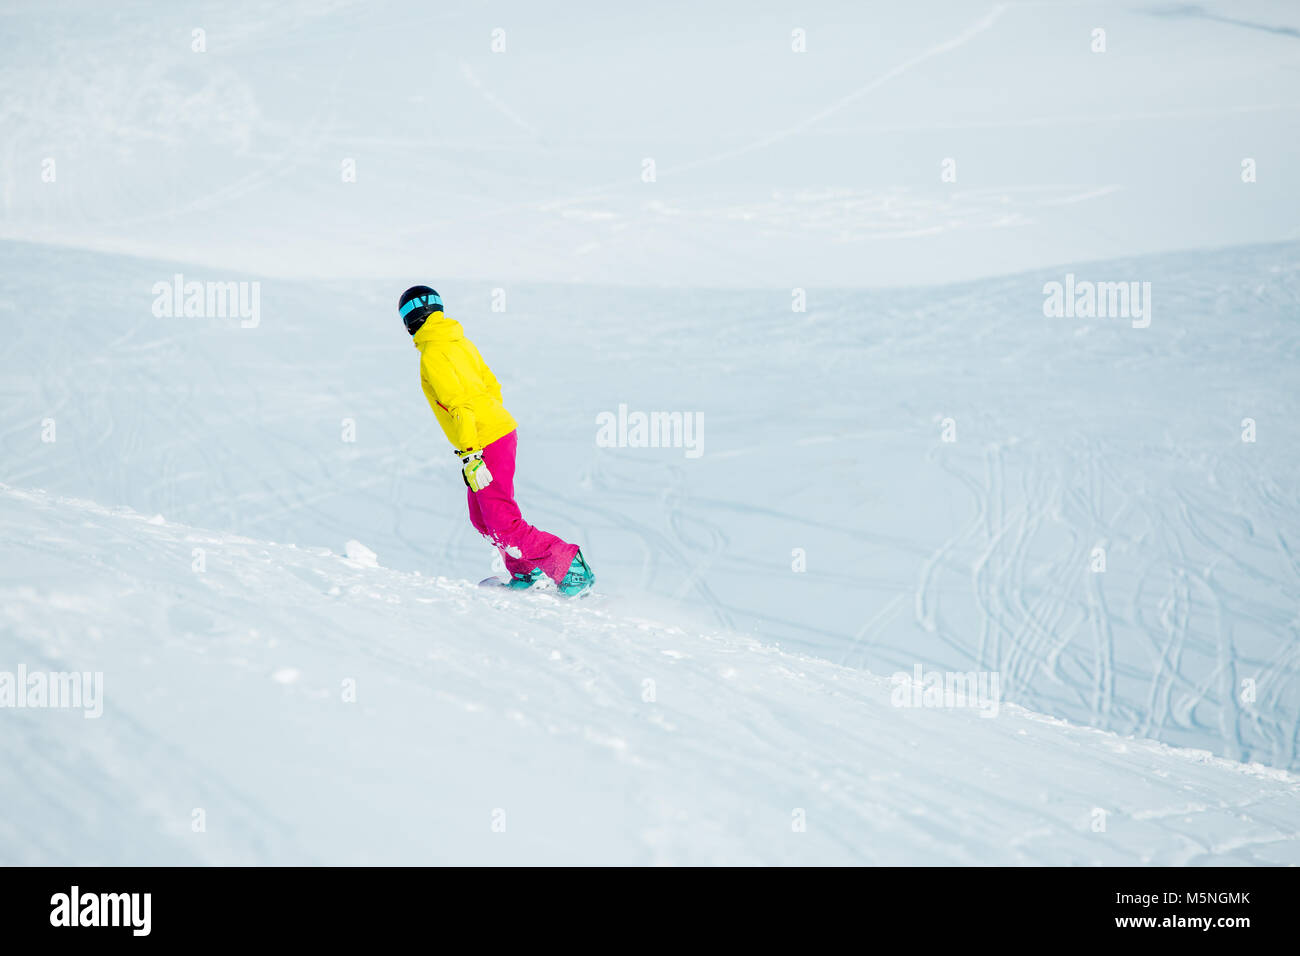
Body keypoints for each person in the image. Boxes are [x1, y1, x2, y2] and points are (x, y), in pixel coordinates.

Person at [399, 285, 594, 596]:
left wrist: (471, 455)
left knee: (501, 521)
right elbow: (491, 385)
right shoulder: (459, 341)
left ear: (409, 320)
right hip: (495, 433)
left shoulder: (434, 353)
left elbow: (459, 405)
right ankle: (525, 571)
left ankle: (569, 566)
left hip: (484, 440)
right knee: (483, 518)